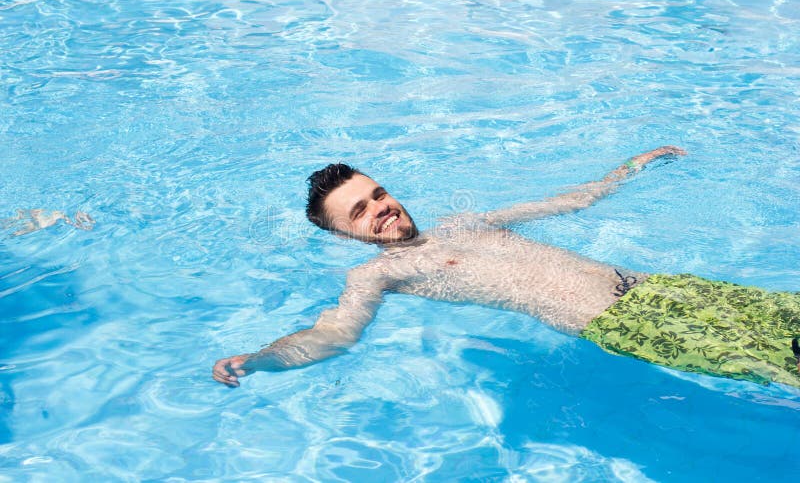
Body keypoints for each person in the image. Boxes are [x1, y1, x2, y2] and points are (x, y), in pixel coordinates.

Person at [213, 147, 800, 388]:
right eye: (360, 212)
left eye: (379, 193)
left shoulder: (470, 221)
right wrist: (261, 358)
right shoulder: (377, 276)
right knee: (783, 372)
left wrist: (633, 167)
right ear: (346, 234)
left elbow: (573, 200)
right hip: (626, 326)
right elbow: (333, 335)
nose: (382, 209)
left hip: (654, 289)